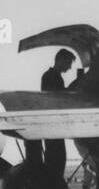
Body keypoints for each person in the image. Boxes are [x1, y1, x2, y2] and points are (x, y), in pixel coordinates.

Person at [29, 49, 75, 177]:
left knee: (56, 159)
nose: (70, 67)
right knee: (57, 159)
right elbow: (56, 98)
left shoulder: (52, 76)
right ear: (61, 60)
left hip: (53, 126)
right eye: (69, 62)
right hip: (53, 126)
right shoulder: (51, 76)